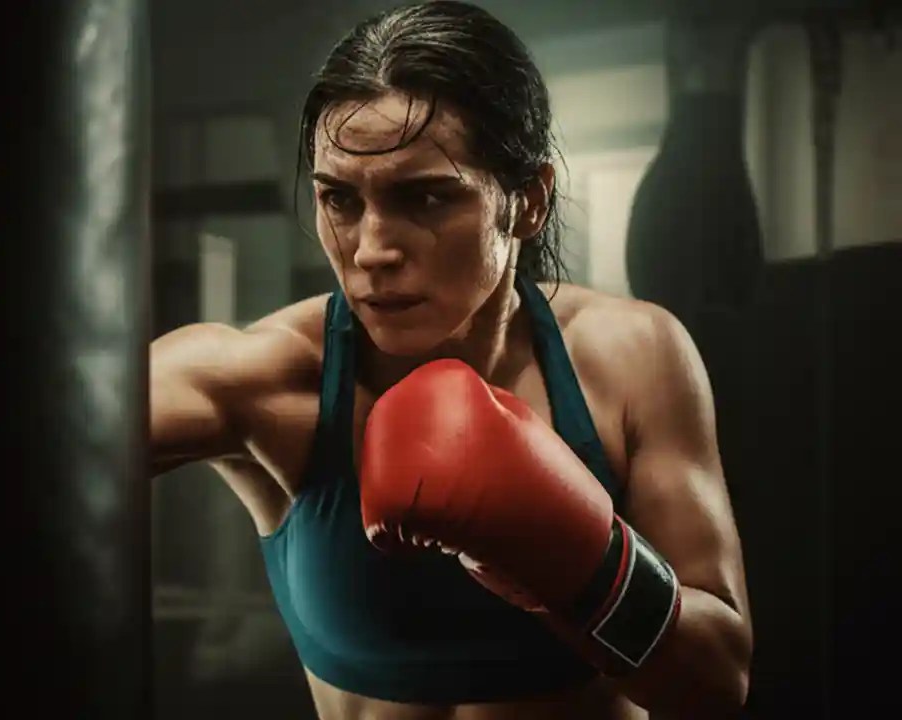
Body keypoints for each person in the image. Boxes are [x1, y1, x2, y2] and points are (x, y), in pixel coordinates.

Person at [149, 2, 753, 718]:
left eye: (427, 197)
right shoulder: (257, 379)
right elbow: (27, 450)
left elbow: (716, 683)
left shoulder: (634, 359)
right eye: (339, 200)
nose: (372, 249)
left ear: (526, 203)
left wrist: (578, 562)